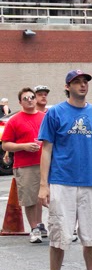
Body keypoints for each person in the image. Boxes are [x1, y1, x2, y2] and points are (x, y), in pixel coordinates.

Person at [39, 70, 92, 270]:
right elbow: (47, 149)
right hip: (62, 181)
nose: (82, 85)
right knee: (59, 235)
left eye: (85, 82)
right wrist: (44, 184)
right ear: (67, 86)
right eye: (77, 82)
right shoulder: (55, 113)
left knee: (91, 236)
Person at [1, 88, 46, 243]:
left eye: (32, 97)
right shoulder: (14, 120)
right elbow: (5, 145)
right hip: (25, 165)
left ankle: (40, 225)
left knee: (42, 197)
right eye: (25, 98)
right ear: (20, 102)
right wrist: (24, 146)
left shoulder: (45, 118)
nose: (29, 100)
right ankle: (34, 228)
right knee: (29, 199)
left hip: (46, 163)